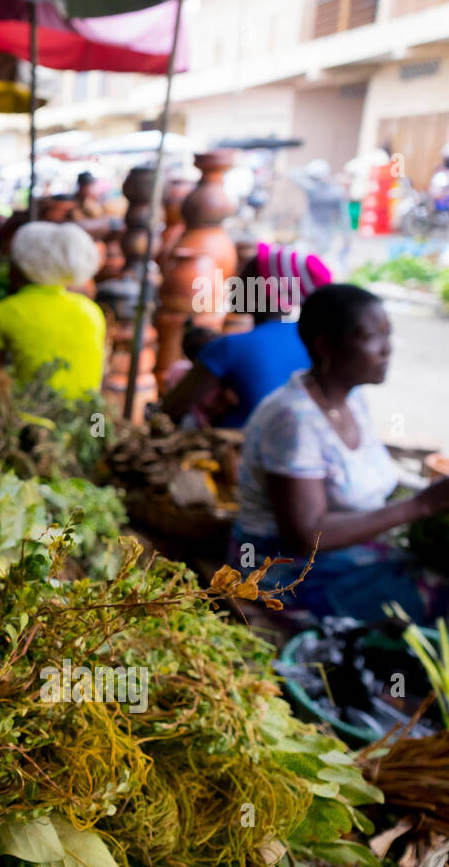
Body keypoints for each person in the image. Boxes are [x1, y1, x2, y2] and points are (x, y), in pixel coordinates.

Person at [232, 284, 449, 623]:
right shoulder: (294, 418)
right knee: (438, 596)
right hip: (283, 572)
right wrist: (422, 505)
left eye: (388, 335)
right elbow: (304, 537)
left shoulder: (349, 399)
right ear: (324, 346)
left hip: (348, 554)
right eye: (372, 337)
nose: (386, 349)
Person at [162, 243, 327, 429]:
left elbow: (169, 410)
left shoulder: (229, 347)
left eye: (246, 275)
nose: (235, 282)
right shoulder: (311, 339)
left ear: (266, 290)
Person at [0, 221, 106, 399]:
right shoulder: (92, 311)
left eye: (13, 260)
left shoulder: (3, 312)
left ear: (24, 268)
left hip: (28, 419)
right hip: (89, 419)